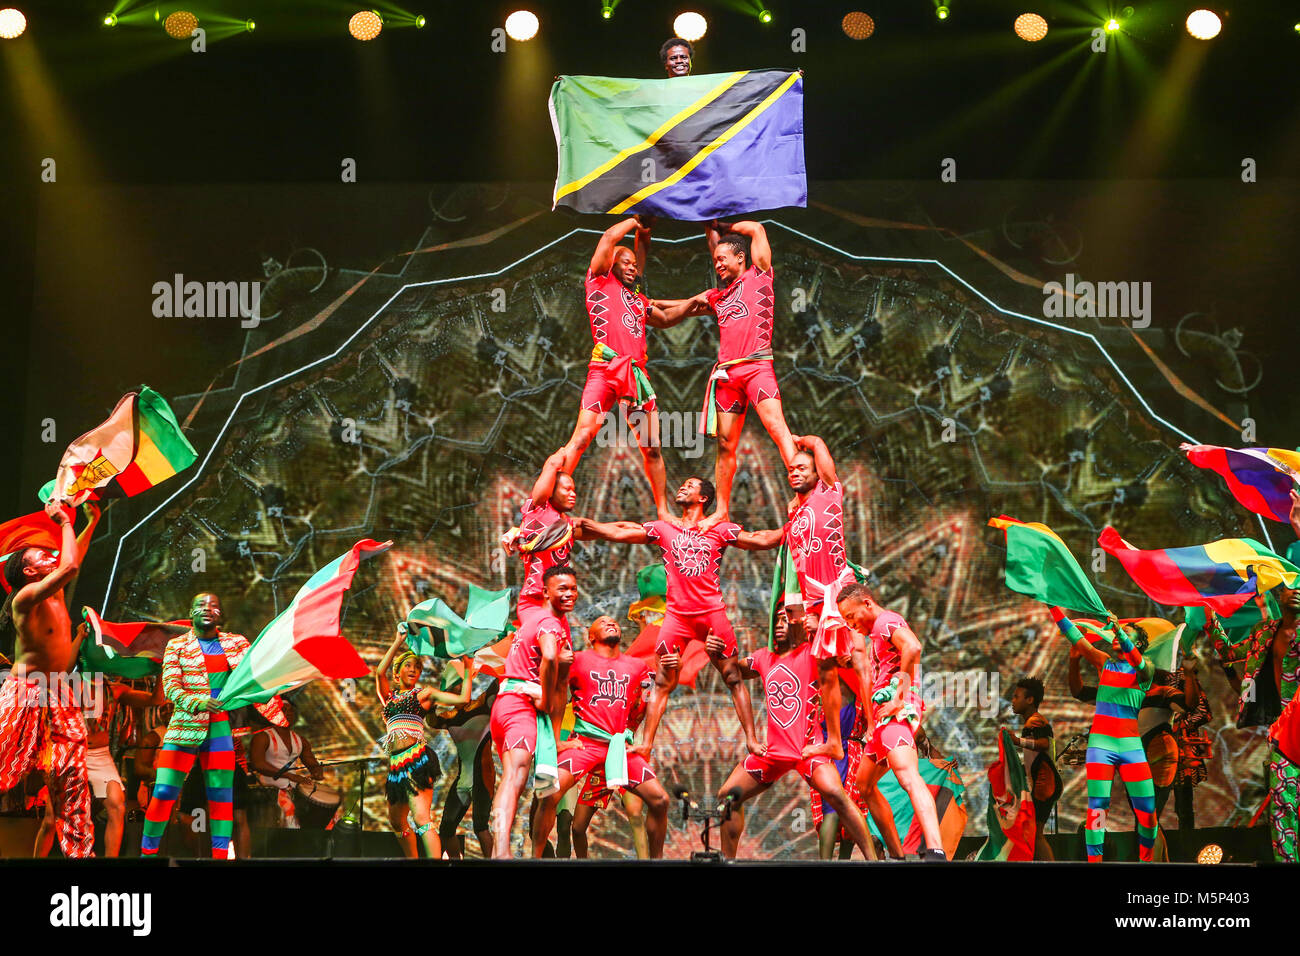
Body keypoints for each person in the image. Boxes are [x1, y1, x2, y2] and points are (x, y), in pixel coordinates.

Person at [577, 476, 780, 760]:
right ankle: (646, 743)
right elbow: (623, 531)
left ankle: (751, 740)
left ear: (704, 499)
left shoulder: (719, 528)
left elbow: (760, 539)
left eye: (690, 485)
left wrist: (793, 526)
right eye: (683, 484)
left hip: (711, 613)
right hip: (677, 617)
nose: (682, 486)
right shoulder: (664, 527)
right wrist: (588, 526)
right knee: (661, 681)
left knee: (733, 676)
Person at [651, 220, 797, 525]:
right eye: (714, 260)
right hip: (727, 377)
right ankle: (722, 510)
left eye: (722, 259)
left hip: (757, 368)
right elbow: (686, 305)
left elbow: (756, 229)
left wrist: (721, 223)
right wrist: (651, 303)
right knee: (726, 445)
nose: (717, 264)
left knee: (777, 428)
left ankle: (802, 494)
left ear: (740, 258)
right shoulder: (720, 296)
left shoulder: (760, 276)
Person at [708, 615, 874, 860]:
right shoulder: (764, 657)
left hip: (808, 749)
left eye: (786, 619)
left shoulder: (811, 652)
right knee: (727, 796)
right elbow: (732, 674)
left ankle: (875, 861)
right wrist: (714, 657)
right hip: (773, 753)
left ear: (798, 623)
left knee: (838, 797)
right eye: (776, 620)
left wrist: (822, 628)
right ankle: (727, 860)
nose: (778, 624)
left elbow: (847, 652)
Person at [140, 592, 286, 858]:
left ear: (221, 613)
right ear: (191, 611)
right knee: (162, 792)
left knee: (221, 798)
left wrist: (275, 687)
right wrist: (197, 702)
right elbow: (171, 689)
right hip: (185, 724)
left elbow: (253, 675)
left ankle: (219, 859)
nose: (208, 609)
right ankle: (147, 855)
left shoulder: (236, 642)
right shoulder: (177, 646)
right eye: (201, 605)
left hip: (219, 728)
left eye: (214, 606)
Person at [561, 216, 678, 519]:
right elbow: (609, 238)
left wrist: (696, 303)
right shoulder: (599, 282)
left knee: (651, 448)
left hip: (635, 376)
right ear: (611, 265)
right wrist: (633, 219)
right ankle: (551, 500)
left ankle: (663, 511)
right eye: (624, 262)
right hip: (605, 369)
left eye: (633, 264)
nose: (631, 266)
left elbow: (665, 317)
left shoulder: (637, 300)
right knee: (583, 436)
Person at [0, 501, 95, 858]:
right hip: (24, 694)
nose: (52, 556)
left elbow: (74, 558)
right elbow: (70, 564)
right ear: (26, 570)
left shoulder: (52, 589)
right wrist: (64, 521)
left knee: (71, 775)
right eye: (43, 555)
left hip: (58, 694)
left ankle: (81, 856)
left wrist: (91, 523)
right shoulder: (23, 598)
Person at [532, 615, 670, 857]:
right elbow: (556, 695)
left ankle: (656, 862)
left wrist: (671, 672)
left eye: (614, 622)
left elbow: (660, 691)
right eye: (602, 621)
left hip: (619, 747)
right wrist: (556, 740)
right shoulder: (578, 660)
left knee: (660, 800)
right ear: (590, 636)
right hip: (584, 744)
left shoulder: (636, 666)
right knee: (549, 793)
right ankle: (535, 859)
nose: (611, 622)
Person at [837, 583, 947, 860]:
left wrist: (899, 698)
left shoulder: (886, 620)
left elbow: (913, 646)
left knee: (908, 775)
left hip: (895, 713)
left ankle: (935, 849)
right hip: (883, 717)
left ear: (867, 604)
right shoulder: (877, 632)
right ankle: (897, 855)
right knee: (864, 785)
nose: (851, 624)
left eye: (851, 617)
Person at [1049, 607, 1157, 862]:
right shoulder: (1105, 663)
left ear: (1139, 643)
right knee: (1098, 807)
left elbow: (1139, 663)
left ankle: (1147, 860)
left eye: (1126, 635)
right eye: (1119, 634)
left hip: (1131, 747)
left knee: (1148, 813)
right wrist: (1050, 605)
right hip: (1101, 744)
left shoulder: (1145, 671)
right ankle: (1094, 864)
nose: (1117, 638)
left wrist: (1119, 628)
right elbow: (1075, 637)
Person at [488, 564, 577, 859]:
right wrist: (545, 698)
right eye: (562, 588)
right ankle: (500, 854)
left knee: (513, 777)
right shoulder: (550, 623)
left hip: (505, 706)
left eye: (573, 588)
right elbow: (550, 656)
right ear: (546, 591)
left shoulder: (530, 619)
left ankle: (501, 851)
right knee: (514, 778)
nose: (569, 594)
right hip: (520, 707)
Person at [1212, 585, 1300, 861]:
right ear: (1279, 593)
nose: (1297, 591)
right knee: (1283, 805)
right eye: (1290, 585)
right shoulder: (1265, 633)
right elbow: (1228, 654)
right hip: (1283, 729)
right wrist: (1209, 614)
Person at [373, 632, 476, 859]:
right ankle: (413, 861)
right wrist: (398, 640)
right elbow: (379, 672)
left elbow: (462, 700)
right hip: (397, 765)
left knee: (421, 819)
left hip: (416, 758)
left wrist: (468, 669)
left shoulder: (423, 694)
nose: (414, 670)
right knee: (398, 822)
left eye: (417, 667)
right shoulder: (388, 699)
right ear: (397, 672)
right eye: (408, 665)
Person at [502, 448, 594, 625]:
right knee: (548, 647)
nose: (573, 494)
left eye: (574, 490)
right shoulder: (538, 507)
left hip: (556, 602)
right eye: (567, 489)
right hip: (535, 599)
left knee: (563, 651)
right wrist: (563, 452)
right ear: (551, 491)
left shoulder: (568, 524)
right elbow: (553, 464)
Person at [428, 670, 498, 859]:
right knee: (446, 828)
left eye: (459, 686)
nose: (456, 692)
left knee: (481, 826)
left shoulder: (482, 705)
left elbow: (496, 686)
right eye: (451, 689)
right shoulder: (449, 717)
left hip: (483, 776)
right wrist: (431, 698)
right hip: (463, 780)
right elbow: (431, 719)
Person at [1008, 676, 1061, 861]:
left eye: (1016, 697)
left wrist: (1017, 741)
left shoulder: (1035, 721)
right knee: (1033, 833)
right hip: (1043, 783)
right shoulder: (1031, 721)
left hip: (1045, 784)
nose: (1012, 701)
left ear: (1030, 700)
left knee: (1036, 834)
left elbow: (1044, 743)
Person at [248, 696, 325, 824]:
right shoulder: (262, 737)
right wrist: (290, 776)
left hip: (293, 792)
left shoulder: (301, 740)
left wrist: (317, 771)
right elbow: (258, 764)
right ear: (274, 713)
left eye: (291, 711)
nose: (288, 714)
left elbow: (312, 763)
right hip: (268, 793)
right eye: (284, 710)